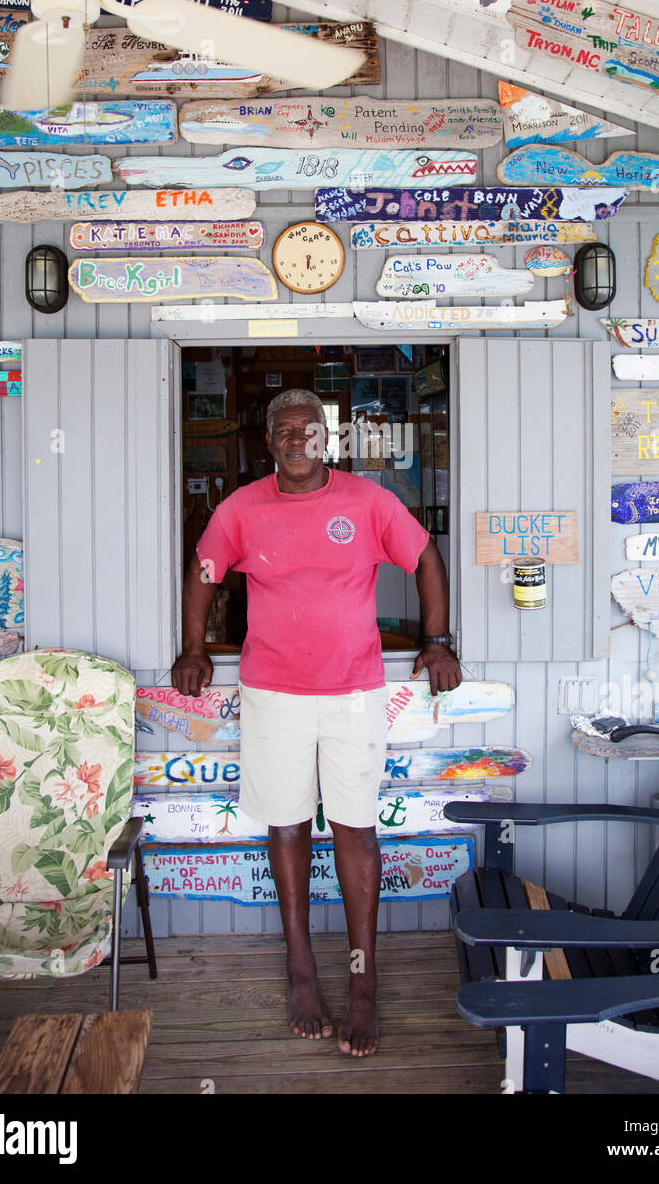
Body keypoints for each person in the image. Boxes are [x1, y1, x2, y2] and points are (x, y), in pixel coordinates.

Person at [172, 388, 461, 1057]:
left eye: (309, 429)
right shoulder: (242, 508)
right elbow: (203, 572)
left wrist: (438, 640)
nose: (297, 439)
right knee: (288, 823)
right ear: (268, 442)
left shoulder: (365, 501)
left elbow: (424, 559)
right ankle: (302, 973)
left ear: (327, 440)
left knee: (356, 828)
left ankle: (363, 983)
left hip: (354, 693)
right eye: (284, 430)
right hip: (273, 692)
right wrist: (193, 648)